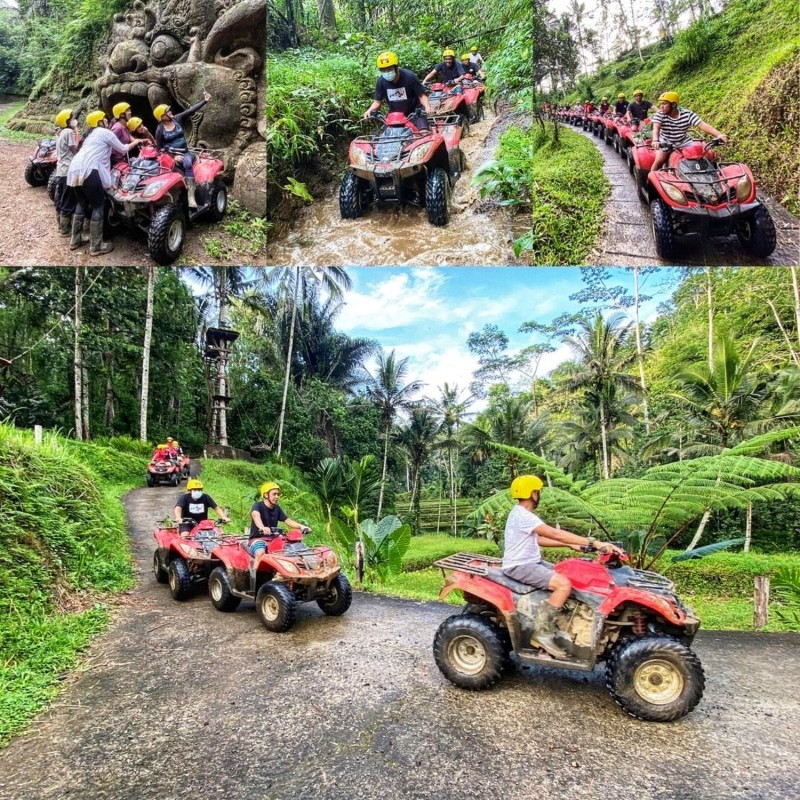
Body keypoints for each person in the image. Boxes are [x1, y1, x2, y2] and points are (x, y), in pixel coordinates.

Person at [502, 475, 623, 658]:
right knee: (563, 584)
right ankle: (542, 633)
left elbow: (540, 539)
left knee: (568, 572)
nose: (539, 495)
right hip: (520, 566)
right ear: (533, 494)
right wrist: (595, 542)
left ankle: (562, 620)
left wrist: (569, 545)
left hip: (531, 562)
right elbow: (554, 533)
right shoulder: (523, 515)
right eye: (538, 491)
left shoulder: (520, 514)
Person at [66, 110, 143, 255]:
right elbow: (122, 149)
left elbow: (100, 163)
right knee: (98, 206)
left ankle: (75, 240)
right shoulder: (105, 132)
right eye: (105, 120)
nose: (108, 122)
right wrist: (137, 142)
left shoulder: (89, 137)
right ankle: (96, 246)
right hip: (89, 169)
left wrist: (108, 183)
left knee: (81, 203)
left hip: (75, 168)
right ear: (99, 122)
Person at [153, 90, 212, 209]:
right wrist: (173, 157)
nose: (170, 112)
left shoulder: (177, 119)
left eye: (169, 111)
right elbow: (160, 149)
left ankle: (191, 197)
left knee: (187, 162)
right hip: (171, 155)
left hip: (185, 152)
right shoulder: (160, 130)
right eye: (167, 112)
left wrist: (204, 101)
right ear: (162, 117)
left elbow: (190, 111)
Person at [650, 91, 728, 172]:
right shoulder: (660, 114)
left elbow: (702, 125)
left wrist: (719, 135)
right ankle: (649, 181)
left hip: (684, 141)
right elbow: (656, 128)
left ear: (673, 104)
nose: (661, 106)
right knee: (659, 160)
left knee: (704, 156)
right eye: (660, 104)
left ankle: (713, 177)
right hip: (665, 142)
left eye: (664, 104)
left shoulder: (687, 114)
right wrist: (656, 140)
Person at [363, 52, 432, 131]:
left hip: (415, 113)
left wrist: (427, 107)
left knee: (424, 132)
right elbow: (377, 101)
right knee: (384, 137)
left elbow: (421, 96)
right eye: (384, 70)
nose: (387, 72)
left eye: (389, 69)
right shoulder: (381, 81)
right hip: (395, 117)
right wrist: (369, 110)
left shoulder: (409, 77)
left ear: (396, 68)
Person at [248, 482, 310, 556]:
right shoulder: (257, 506)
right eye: (274, 494)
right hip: (258, 540)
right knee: (260, 553)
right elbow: (256, 516)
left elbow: (288, 521)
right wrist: (262, 527)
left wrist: (302, 526)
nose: (277, 497)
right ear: (265, 495)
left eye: (278, 494)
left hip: (273, 540)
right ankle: (254, 568)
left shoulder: (277, 508)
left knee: (291, 552)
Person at [53, 109, 80, 236]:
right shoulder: (68, 132)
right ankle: (65, 229)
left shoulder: (60, 132)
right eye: (71, 118)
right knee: (69, 198)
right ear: (66, 121)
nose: (74, 120)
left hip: (60, 170)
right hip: (68, 170)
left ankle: (60, 225)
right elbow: (74, 149)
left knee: (60, 197)